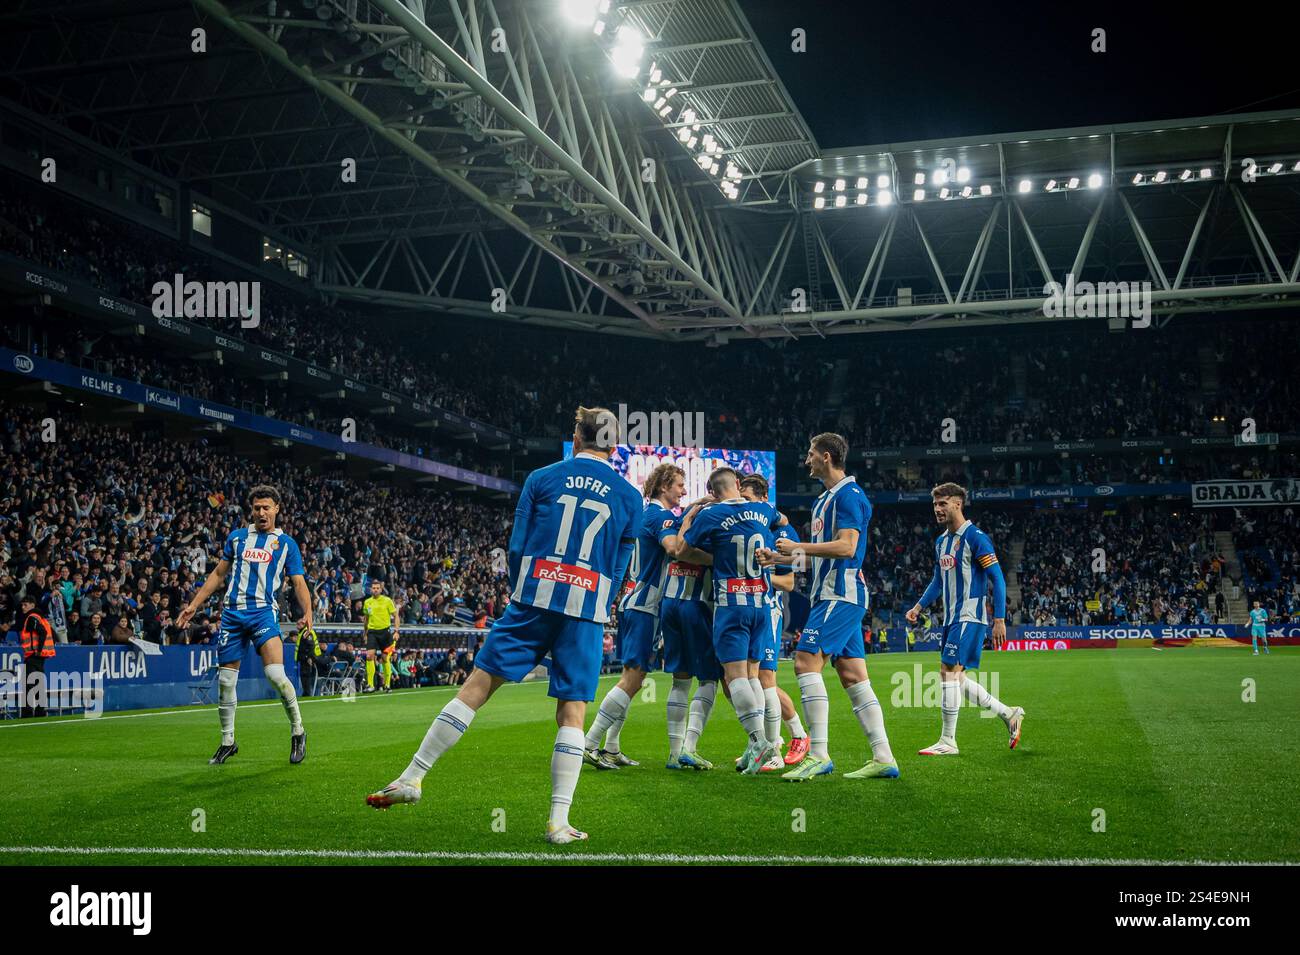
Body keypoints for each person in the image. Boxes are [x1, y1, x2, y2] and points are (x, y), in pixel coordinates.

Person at [366, 406, 642, 845]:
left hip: (533, 598)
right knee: (571, 713)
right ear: (613, 442)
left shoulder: (542, 478)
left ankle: (413, 777)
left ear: (577, 434)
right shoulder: (630, 496)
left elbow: (516, 547)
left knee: (475, 688)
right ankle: (558, 822)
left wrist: (522, 590)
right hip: (586, 609)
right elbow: (624, 561)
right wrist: (602, 602)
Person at [760, 433, 899, 781]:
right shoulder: (824, 500)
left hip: (842, 594)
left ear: (826, 456)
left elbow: (847, 548)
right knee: (852, 675)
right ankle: (884, 757)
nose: (806, 460)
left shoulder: (849, 495)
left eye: (810, 454)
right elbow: (818, 558)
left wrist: (795, 545)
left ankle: (819, 754)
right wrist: (779, 557)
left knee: (805, 661)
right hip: (829, 594)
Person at [176, 484, 313, 765]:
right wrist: (193, 604)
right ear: (252, 510)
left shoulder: (286, 544)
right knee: (226, 683)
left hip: (263, 613)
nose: (261, 512)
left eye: (266, 508)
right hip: (233, 615)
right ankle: (228, 741)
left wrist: (308, 612)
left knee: (276, 676)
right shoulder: (238, 538)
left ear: (276, 509)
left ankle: (298, 730)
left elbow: (298, 582)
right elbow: (218, 574)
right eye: (257, 508)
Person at [905, 483, 1024, 756]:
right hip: (951, 618)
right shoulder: (941, 542)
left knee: (948, 673)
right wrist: (919, 606)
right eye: (935, 504)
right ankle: (1009, 713)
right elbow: (938, 581)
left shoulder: (975, 537)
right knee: (956, 678)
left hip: (970, 615)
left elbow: (997, 578)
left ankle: (948, 741)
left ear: (958, 503)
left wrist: (1000, 619)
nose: (937, 509)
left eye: (943, 503)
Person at [676, 467, 780, 775]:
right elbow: (782, 520)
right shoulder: (764, 509)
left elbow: (681, 550)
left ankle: (760, 743)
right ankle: (758, 746)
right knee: (752, 677)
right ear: (737, 484)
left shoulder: (711, 515)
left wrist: (694, 512)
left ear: (712, 490)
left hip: (731, 603)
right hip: (761, 603)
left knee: (734, 678)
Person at [584, 462, 686, 770]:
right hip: (646, 605)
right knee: (632, 678)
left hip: (633, 600)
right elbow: (675, 548)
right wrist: (694, 518)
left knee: (635, 678)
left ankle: (611, 747)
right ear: (664, 486)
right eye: (679, 484)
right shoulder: (661, 517)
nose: (683, 490)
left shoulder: (643, 514)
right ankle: (589, 744)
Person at [739, 474, 810, 771]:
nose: (741, 504)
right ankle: (766, 742)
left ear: (763, 497)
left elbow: (790, 581)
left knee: (764, 680)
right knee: (747, 680)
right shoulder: (742, 524)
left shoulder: (779, 528)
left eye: (746, 498)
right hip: (745, 609)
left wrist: (763, 577)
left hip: (767, 609)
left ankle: (789, 741)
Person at [18, 595, 55, 718]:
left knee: (28, 684)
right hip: (39, 656)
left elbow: (42, 632)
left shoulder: (31, 618)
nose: (23, 607)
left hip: (33, 655)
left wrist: (38, 649)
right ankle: (40, 711)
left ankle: (27, 713)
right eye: (22, 605)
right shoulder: (41, 617)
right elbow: (49, 633)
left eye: (25, 605)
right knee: (39, 683)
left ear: (32, 605)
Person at [362, 579, 399, 693]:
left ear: (381, 589)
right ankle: (370, 685)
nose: (376, 590)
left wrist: (396, 631)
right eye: (374, 588)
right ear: (371, 589)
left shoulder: (387, 601)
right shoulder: (367, 602)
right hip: (372, 632)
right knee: (369, 656)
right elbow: (366, 619)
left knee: (384, 658)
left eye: (377, 588)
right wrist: (365, 633)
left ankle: (387, 684)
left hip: (385, 632)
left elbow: (396, 616)